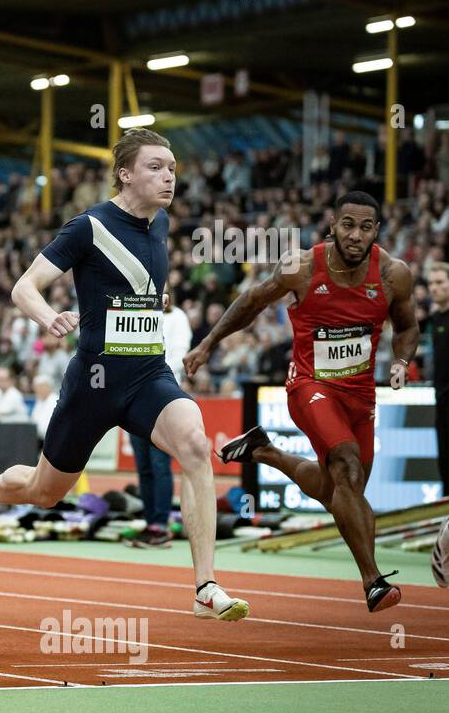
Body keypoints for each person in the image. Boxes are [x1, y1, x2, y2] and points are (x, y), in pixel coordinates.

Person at [0, 128, 249, 621]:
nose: (168, 177)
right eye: (156, 167)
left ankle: (206, 586)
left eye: (173, 169)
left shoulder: (160, 225)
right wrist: (49, 317)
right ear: (126, 173)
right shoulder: (88, 227)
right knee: (45, 493)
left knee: (196, 446)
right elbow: (23, 287)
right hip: (93, 382)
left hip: (147, 376)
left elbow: (139, 290)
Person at [187, 191, 418, 613]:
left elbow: (407, 327)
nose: (355, 235)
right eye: (347, 224)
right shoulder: (301, 267)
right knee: (347, 466)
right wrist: (207, 344)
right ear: (332, 224)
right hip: (310, 386)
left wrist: (402, 360)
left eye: (366, 227)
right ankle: (373, 581)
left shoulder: (392, 274)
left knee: (342, 491)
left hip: (359, 394)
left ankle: (264, 450)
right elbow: (252, 302)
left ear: (377, 232)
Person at [127, 293, 193, 549]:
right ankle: (149, 521)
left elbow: (179, 355)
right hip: (132, 395)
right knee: (143, 464)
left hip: (159, 393)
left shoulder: (176, 318)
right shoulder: (136, 313)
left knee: (159, 462)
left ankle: (160, 524)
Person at [425, 263, 449, 492]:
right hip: (441, 401)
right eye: (431, 283)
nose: (434, 288)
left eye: (440, 282)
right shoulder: (436, 319)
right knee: (444, 461)